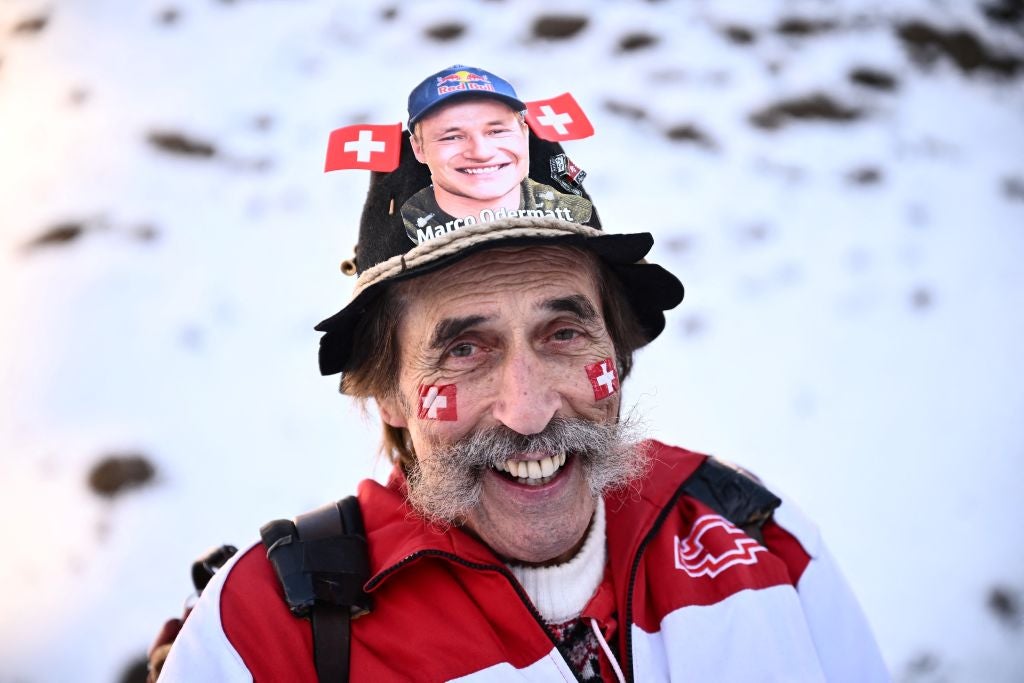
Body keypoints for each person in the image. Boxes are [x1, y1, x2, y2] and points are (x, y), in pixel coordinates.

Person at [160, 66, 890, 682]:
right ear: (387, 391)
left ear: (617, 351)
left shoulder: (755, 534)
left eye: (564, 334)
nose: (529, 409)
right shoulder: (263, 630)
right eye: (464, 350)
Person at [401, 65, 592, 245]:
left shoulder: (572, 211)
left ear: (524, 134)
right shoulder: (402, 232)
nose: (481, 153)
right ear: (418, 149)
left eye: (497, 131)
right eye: (452, 137)